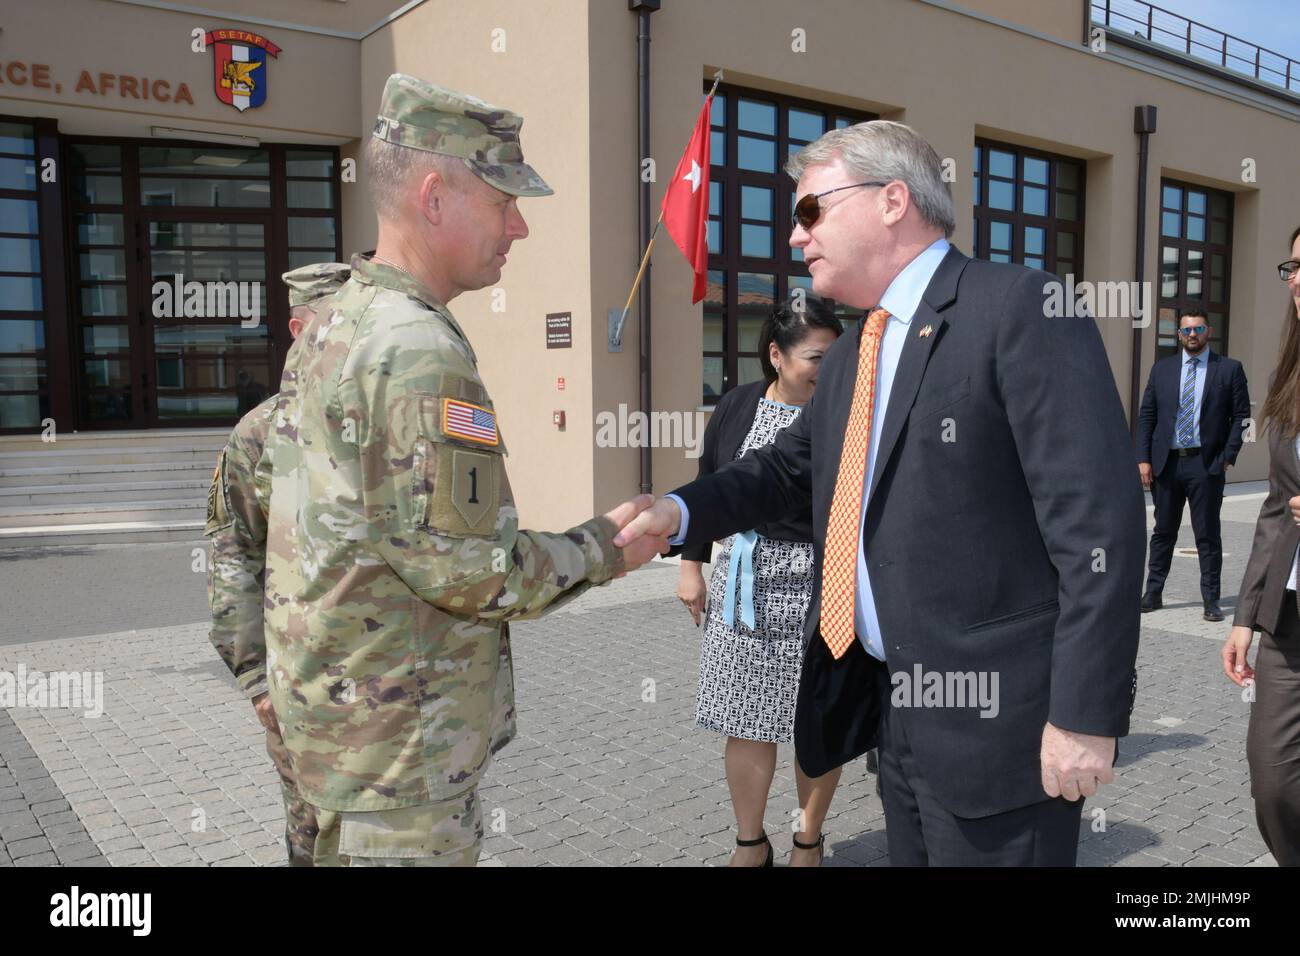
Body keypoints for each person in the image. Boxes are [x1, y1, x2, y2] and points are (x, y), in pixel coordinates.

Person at [617, 119, 1144, 866]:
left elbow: (1100, 528)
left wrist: (1085, 716)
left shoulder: (1017, 308)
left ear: (893, 199)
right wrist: (679, 511)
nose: (796, 238)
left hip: (1001, 732)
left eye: (809, 211)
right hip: (895, 716)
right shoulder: (854, 354)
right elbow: (782, 471)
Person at [260, 74, 665, 867]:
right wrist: (608, 548)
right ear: (435, 196)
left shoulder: (337, 316)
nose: (519, 228)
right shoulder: (417, 351)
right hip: (398, 768)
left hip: (328, 734)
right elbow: (476, 576)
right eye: (505, 200)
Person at [676, 295, 843, 866]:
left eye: (837, 358)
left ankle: (807, 840)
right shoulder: (737, 405)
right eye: (818, 357)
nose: (829, 370)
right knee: (746, 719)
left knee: (816, 723)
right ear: (776, 355)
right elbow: (708, 480)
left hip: (819, 585)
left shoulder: (845, 416)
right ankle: (751, 841)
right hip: (741, 586)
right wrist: (691, 564)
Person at [205, 261, 351, 866]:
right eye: (334, 325)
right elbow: (231, 554)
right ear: (299, 328)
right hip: (300, 689)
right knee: (312, 838)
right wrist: (254, 679)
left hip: (392, 690)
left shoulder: (386, 418)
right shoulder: (261, 435)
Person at [1222, 225, 1300, 867]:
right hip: (1289, 618)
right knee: (1273, 784)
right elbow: (1277, 506)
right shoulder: (1288, 378)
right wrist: (1245, 617)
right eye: (1293, 266)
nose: (1298, 278)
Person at [1136, 309, 1250, 621]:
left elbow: (1242, 417)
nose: (1192, 335)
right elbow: (1147, 414)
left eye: (1197, 329)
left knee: (1208, 535)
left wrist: (1228, 455)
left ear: (1208, 331)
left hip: (1206, 464)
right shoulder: (1162, 369)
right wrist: (1143, 458)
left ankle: (1211, 600)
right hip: (1167, 464)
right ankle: (1154, 592)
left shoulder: (1228, 369)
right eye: (1186, 330)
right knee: (1163, 532)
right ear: (1179, 334)